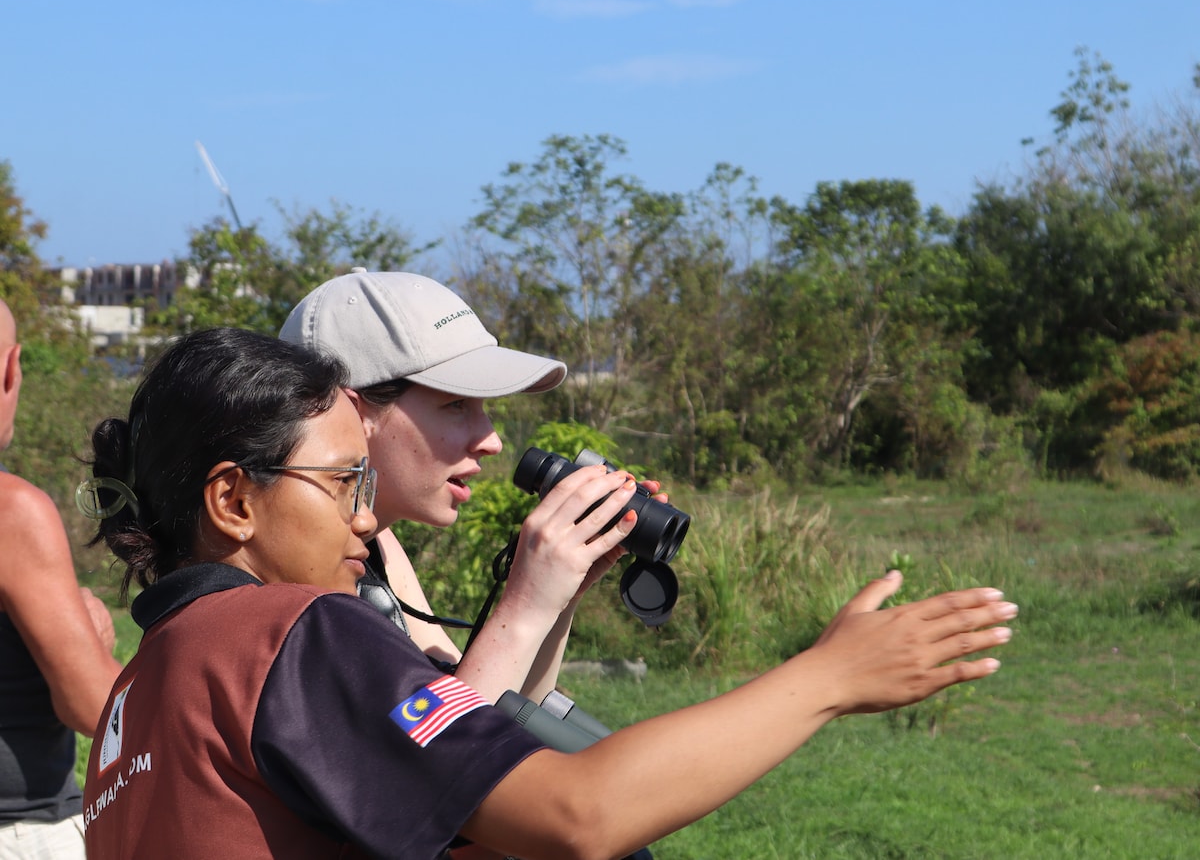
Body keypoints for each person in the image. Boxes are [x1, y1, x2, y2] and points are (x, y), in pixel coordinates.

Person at [80, 327, 1017, 860]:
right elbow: (580, 812)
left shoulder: (138, 691)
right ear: (234, 498)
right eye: (344, 484)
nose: (367, 521)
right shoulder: (291, 630)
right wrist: (825, 678)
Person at [280, 270, 661, 703]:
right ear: (350, 414)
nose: (493, 440)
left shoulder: (378, 544)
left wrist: (560, 594)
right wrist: (525, 606)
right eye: (455, 404)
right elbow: (450, 752)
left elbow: (506, 714)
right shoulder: (284, 575)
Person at [0, 298, 122, 858]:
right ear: (11, 369)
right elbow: (94, 706)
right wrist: (94, 638)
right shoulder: (11, 511)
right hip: (20, 828)